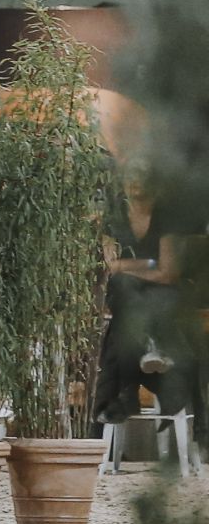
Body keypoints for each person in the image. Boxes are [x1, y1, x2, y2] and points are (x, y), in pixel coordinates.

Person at [92, 169, 206, 430]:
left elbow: (168, 273)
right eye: (130, 176)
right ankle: (149, 345)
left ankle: (125, 392)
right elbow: (110, 266)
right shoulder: (114, 215)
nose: (134, 182)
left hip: (162, 294)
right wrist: (147, 263)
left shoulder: (167, 218)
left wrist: (125, 265)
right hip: (129, 292)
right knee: (123, 286)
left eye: (142, 176)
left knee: (126, 311)